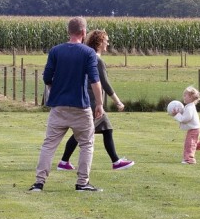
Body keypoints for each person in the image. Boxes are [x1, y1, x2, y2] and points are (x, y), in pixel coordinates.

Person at [30, 17, 104, 193]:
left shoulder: (56, 51)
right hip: (81, 106)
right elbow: (95, 80)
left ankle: (39, 182)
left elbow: (47, 77)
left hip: (58, 107)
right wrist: (99, 103)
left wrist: (55, 87)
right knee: (86, 144)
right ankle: (82, 182)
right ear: (84, 32)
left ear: (68, 32)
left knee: (49, 145)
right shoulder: (88, 53)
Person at [56, 29, 134, 171]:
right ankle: (64, 161)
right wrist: (117, 101)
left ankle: (115, 161)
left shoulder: (87, 56)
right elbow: (104, 82)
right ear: (99, 42)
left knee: (106, 130)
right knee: (82, 132)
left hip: (87, 100)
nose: (108, 43)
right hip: (92, 102)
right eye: (106, 40)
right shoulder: (96, 59)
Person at [167, 86, 200, 164]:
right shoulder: (188, 106)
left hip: (194, 129)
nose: (183, 97)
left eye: (185, 95)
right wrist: (179, 113)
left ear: (191, 97)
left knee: (189, 144)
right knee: (192, 143)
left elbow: (185, 119)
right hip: (194, 128)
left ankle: (189, 159)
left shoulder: (190, 107)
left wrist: (176, 115)